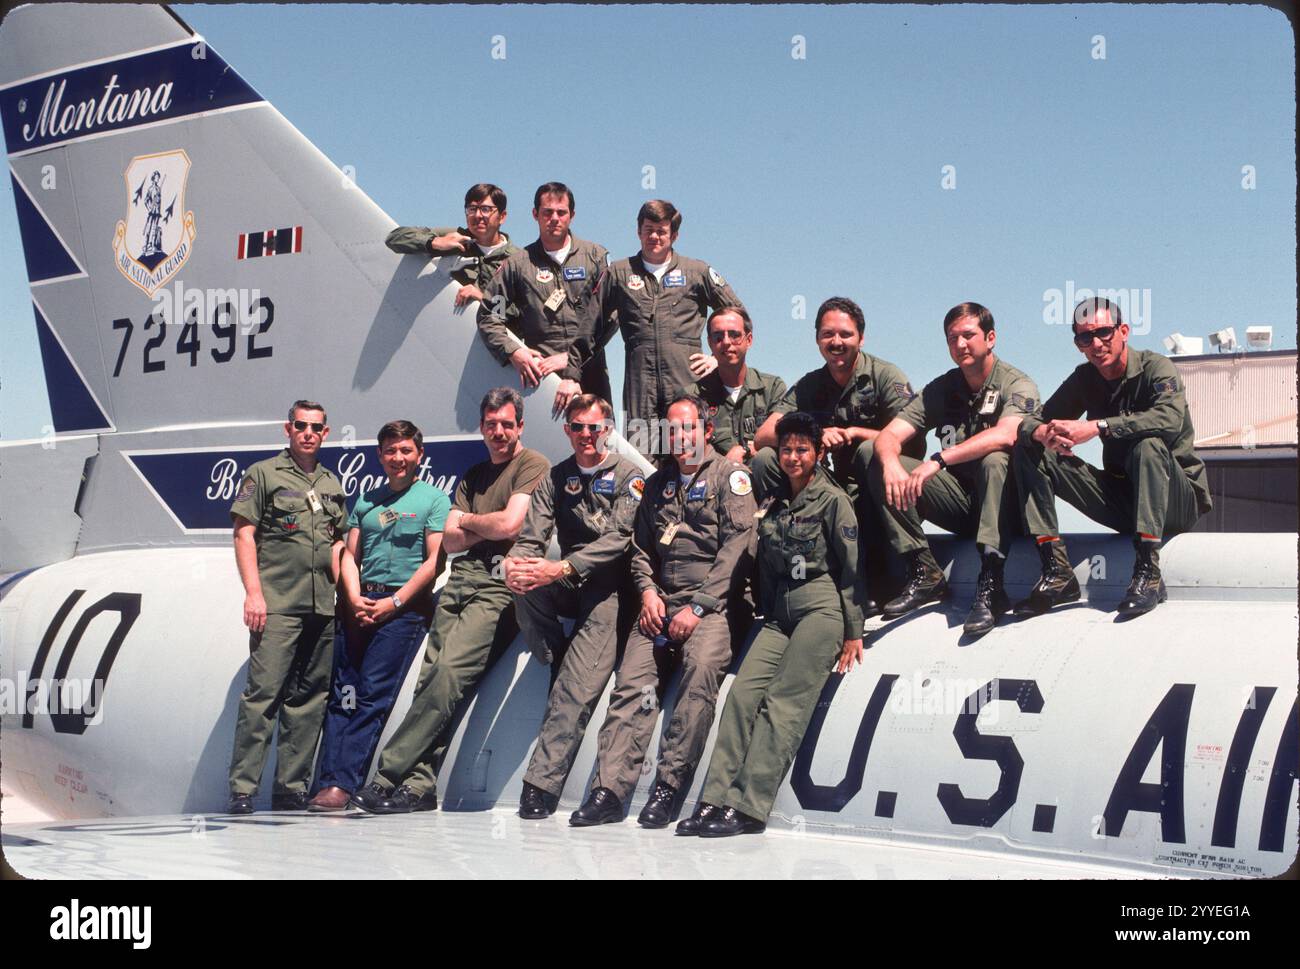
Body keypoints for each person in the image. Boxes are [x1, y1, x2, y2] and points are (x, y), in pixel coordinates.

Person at [351, 389, 550, 813]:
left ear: (520, 426)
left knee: (448, 675)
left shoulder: (532, 464)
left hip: (499, 585)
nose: (499, 431)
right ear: (481, 427)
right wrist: (483, 527)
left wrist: (471, 523)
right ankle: (420, 787)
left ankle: (388, 774)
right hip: (460, 581)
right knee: (431, 681)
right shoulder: (474, 475)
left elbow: (511, 524)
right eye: (491, 424)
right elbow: (453, 542)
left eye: (506, 424)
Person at [569, 394, 756, 828]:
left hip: (712, 606)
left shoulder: (732, 479)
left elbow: (738, 548)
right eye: (673, 430)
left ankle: (669, 788)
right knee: (631, 686)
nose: (681, 437)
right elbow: (639, 549)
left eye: (689, 428)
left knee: (699, 674)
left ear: (707, 431)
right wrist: (649, 593)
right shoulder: (657, 485)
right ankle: (609, 791)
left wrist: (698, 606)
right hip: (660, 604)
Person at [682, 412, 865, 838]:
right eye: (787, 449)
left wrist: (852, 630)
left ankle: (747, 806)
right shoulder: (774, 499)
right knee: (742, 697)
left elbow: (853, 569)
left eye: (803, 449)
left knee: (782, 703)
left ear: (818, 453)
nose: (793, 456)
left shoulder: (833, 500)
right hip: (778, 612)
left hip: (820, 608)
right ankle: (713, 798)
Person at [1013, 297, 1211, 619]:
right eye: (1084, 337)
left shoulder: (1156, 368)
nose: (1096, 344)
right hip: (1124, 502)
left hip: (1175, 501)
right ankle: (1056, 568)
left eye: (1104, 332)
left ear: (1123, 331)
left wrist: (1097, 427)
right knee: (1031, 450)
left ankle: (1148, 570)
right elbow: (1033, 421)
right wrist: (1042, 434)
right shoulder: (1084, 378)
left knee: (1147, 444)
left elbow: (1169, 419)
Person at [504, 395, 646, 819]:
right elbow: (533, 534)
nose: (587, 435)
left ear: (608, 429)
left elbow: (621, 538)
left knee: (574, 690)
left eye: (595, 427)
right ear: (567, 430)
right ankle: (554, 650)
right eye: (578, 427)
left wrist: (561, 566)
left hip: (607, 587)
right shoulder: (555, 477)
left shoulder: (629, 476)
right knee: (522, 586)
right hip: (565, 580)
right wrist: (518, 564)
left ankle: (541, 786)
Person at [869, 302, 1040, 635]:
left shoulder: (1017, 384)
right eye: (952, 338)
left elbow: (1006, 433)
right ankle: (923, 569)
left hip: (1009, 509)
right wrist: (890, 463)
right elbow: (890, 434)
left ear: (990, 338)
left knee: (994, 459)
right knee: (872, 455)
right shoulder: (943, 389)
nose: (960, 345)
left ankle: (992, 583)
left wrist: (940, 460)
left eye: (968, 335)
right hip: (963, 506)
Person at [308, 421, 450, 810]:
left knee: (371, 694)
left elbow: (433, 562)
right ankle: (325, 781)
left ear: (419, 455)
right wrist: (353, 598)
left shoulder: (434, 500)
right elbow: (350, 557)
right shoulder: (368, 502)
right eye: (390, 451)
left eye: (405, 451)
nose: (398, 458)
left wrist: (395, 604)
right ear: (380, 456)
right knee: (344, 694)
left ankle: (343, 784)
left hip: (403, 610)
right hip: (359, 603)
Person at [753, 296, 922, 608]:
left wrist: (856, 433)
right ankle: (786, 557)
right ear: (817, 338)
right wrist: (814, 435)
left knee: (870, 451)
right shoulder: (809, 385)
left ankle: (915, 566)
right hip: (833, 486)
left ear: (861, 337)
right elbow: (763, 436)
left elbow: (913, 442)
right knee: (765, 460)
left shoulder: (886, 376)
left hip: (883, 486)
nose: (836, 342)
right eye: (827, 334)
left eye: (845, 334)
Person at [227, 401, 347, 814]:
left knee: (310, 697)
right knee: (263, 696)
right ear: (288, 429)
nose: (308, 433)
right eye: (301, 425)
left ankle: (289, 788)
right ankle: (243, 790)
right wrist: (253, 593)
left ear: (326, 432)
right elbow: (244, 534)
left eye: (316, 427)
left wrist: (345, 594)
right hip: (278, 603)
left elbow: (337, 543)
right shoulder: (263, 474)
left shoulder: (332, 483)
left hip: (321, 606)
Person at [559, 200, 744, 452]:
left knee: (689, 455)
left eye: (662, 231)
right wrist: (571, 375)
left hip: (686, 383)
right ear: (638, 231)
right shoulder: (619, 273)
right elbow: (589, 328)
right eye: (648, 229)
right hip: (639, 387)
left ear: (674, 235)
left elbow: (739, 315)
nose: (654, 236)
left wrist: (717, 358)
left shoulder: (697, 272)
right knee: (642, 459)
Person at [477, 182, 612, 404]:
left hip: (592, 373)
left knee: (597, 437)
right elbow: (489, 315)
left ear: (572, 215)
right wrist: (514, 352)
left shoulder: (595, 257)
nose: (554, 219)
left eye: (561, 212)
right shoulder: (518, 265)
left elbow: (612, 315)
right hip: (542, 378)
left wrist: (571, 358)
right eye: (547, 212)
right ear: (535, 214)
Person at [385, 182, 519, 310]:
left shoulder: (520, 261)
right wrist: (434, 243)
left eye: (486, 209)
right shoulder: (454, 237)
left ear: (502, 216)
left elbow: (523, 316)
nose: (478, 215)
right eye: (472, 209)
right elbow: (394, 238)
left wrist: (484, 299)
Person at [691, 306, 787, 466]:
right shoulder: (693, 397)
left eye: (734, 335)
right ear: (710, 343)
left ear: (749, 340)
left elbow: (786, 440)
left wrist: (745, 450)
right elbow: (687, 455)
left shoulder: (772, 389)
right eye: (718, 337)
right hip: (713, 484)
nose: (726, 342)